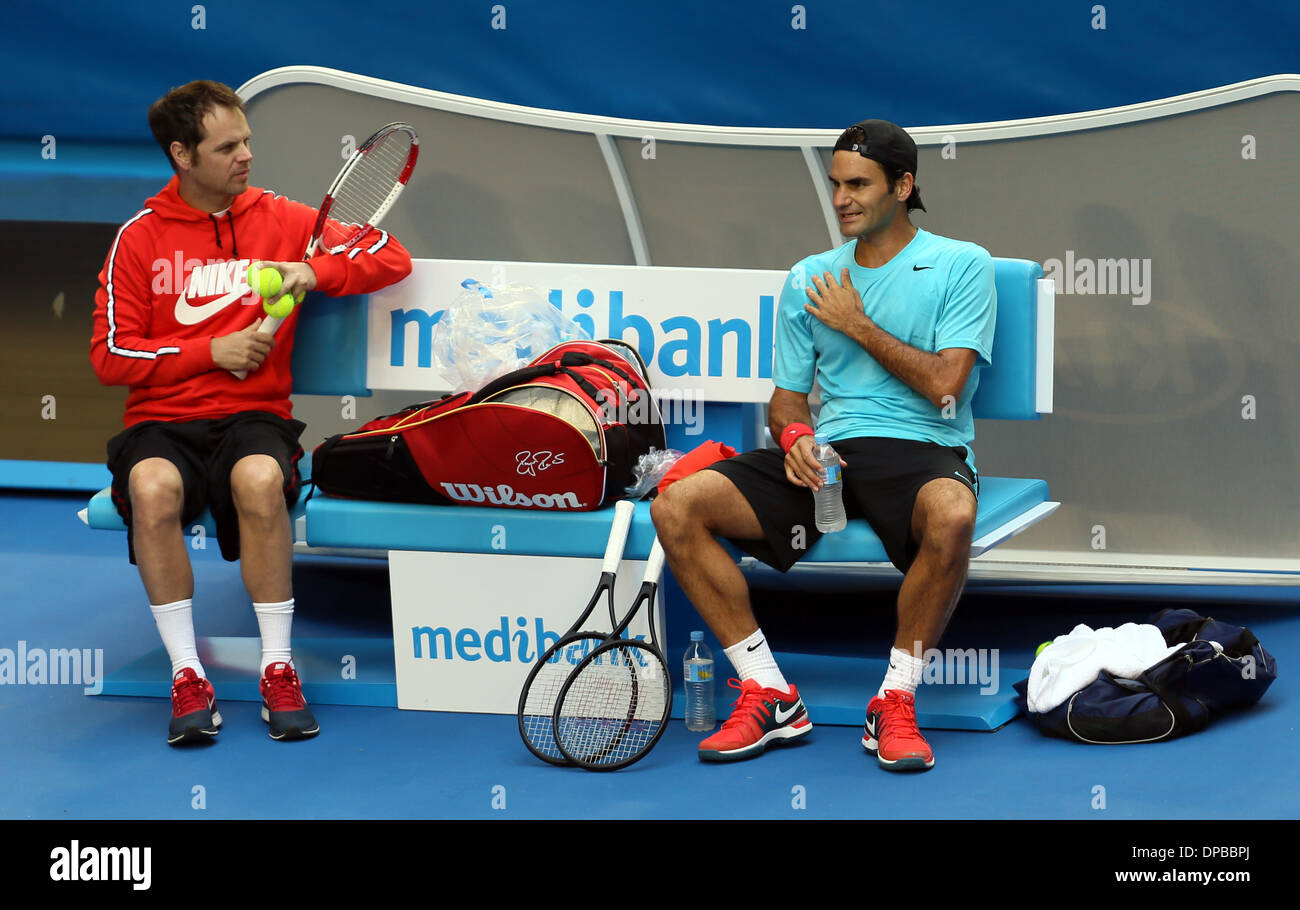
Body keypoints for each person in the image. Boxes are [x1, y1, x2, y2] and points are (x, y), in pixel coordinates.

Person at [651, 119, 995, 771]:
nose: (841, 197)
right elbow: (784, 399)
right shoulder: (809, 276)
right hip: (828, 458)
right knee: (677, 507)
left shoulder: (961, 264)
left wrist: (857, 324)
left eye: (858, 184)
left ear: (903, 185)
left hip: (921, 448)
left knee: (953, 515)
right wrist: (797, 436)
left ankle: (894, 700)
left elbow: (947, 386)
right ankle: (769, 691)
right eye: (835, 184)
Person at [90, 80, 413, 745]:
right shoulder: (140, 240)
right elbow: (111, 355)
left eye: (247, 141)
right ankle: (188, 674)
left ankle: (276, 667)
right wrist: (213, 349)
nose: (245, 156)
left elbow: (389, 255)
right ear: (182, 155)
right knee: (151, 489)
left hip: (252, 416)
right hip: (162, 420)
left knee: (261, 482)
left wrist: (315, 275)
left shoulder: (283, 219)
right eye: (228, 145)